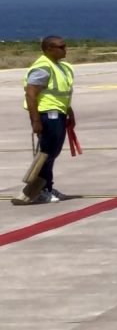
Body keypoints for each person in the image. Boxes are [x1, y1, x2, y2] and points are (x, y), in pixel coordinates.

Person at [17, 35, 77, 205]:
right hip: (47, 115)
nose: (65, 49)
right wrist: (35, 120)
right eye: (61, 46)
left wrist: (69, 111)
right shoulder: (43, 67)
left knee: (51, 153)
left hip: (58, 113)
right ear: (49, 49)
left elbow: (61, 94)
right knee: (46, 154)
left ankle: (47, 188)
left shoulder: (61, 67)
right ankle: (40, 190)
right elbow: (31, 95)